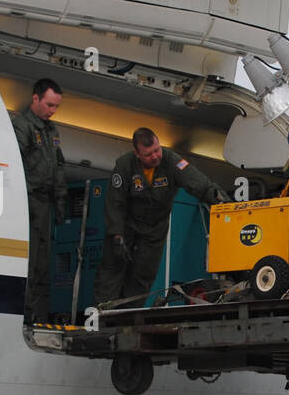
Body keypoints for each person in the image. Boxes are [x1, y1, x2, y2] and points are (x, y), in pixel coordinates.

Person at [94, 128, 229, 307]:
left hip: (154, 229)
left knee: (143, 275)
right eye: (148, 154)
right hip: (126, 225)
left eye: (157, 150)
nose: (155, 156)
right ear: (137, 153)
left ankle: (125, 319)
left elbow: (200, 185)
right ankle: (101, 317)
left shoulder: (172, 162)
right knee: (111, 270)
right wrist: (117, 235)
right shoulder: (125, 165)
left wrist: (226, 206)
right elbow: (115, 203)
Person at [11, 78, 67, 324]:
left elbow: (58, 167)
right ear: (35, 98)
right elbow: (16, 167)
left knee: (44, 265)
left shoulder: (51, 130)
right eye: (49, 105)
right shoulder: (21, 126)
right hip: (29, 202)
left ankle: (39, 317)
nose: (52, 111)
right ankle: (23, 316)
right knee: (30, 263)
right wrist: (23, 207)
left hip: (46, 204)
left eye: (56, 106)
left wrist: (61, 202)